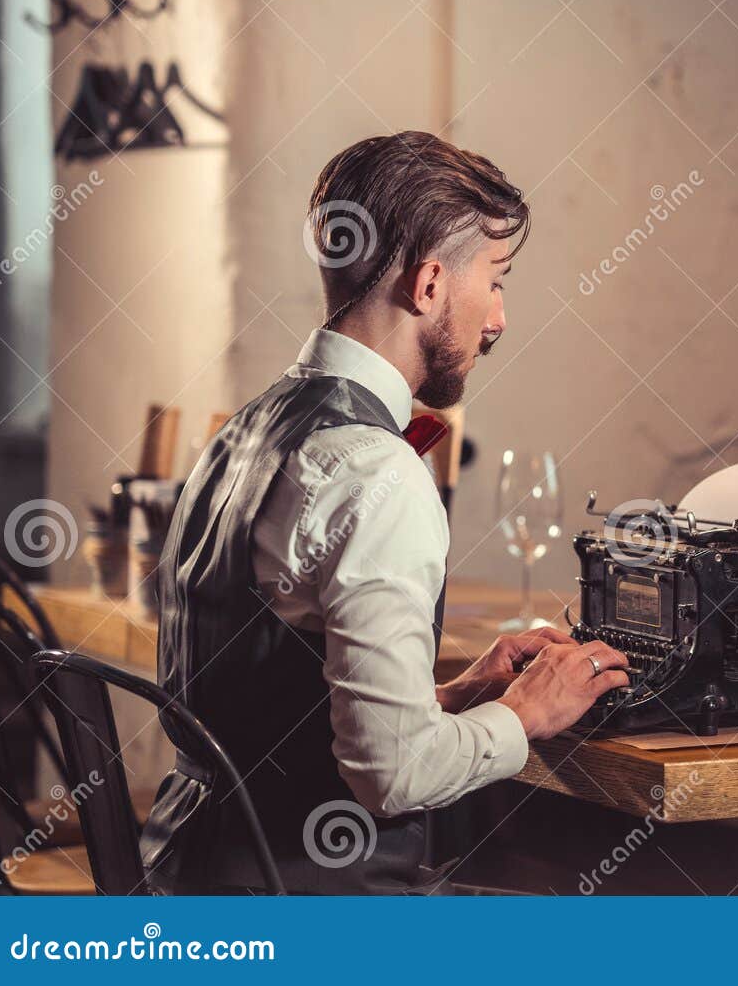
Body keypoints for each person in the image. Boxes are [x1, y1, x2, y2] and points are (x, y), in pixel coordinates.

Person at [142, 132, 630, 893]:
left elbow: (271, 709)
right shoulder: (379, 473)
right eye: (496, 281)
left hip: (186, 875)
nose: (498, 318)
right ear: (431, 284)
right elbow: (393, 776)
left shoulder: (245, 430)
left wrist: (456, 695)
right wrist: (528, 714)